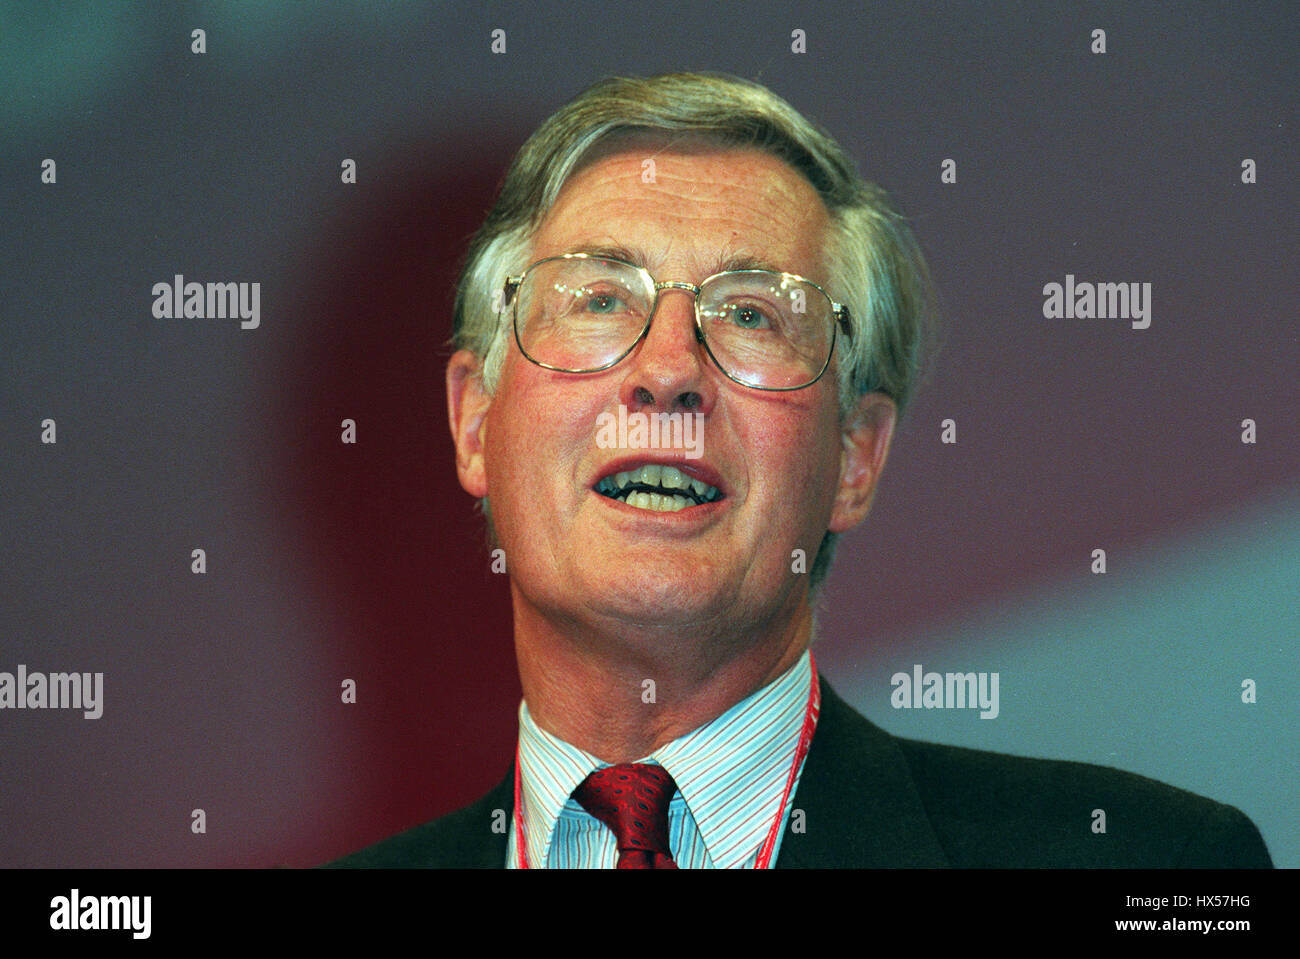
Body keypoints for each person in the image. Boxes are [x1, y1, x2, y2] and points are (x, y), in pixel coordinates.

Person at [328, 72, 1271, 868]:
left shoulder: (1158, 864)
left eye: (751, 314)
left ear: (856, 456)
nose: (666, 370)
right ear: (474, 421)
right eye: (600, 299)